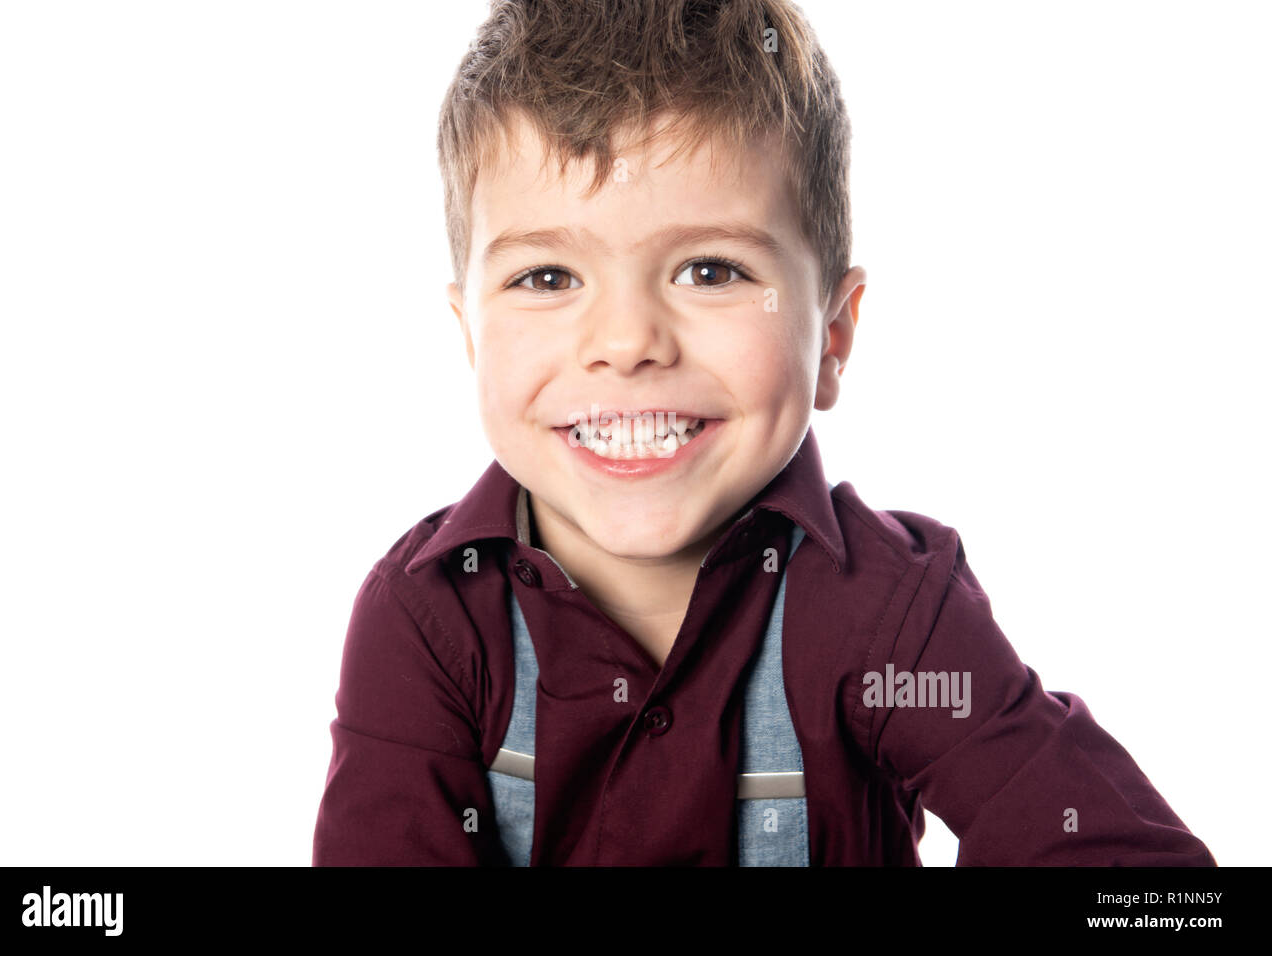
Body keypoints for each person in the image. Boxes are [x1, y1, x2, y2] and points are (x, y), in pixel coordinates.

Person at [312, 0, 1215, 866]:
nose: (627, 344)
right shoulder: (429, 623)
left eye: (710, 270)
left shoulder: (893, 617)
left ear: (832, 334)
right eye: (547, 278)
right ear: (470, 334)